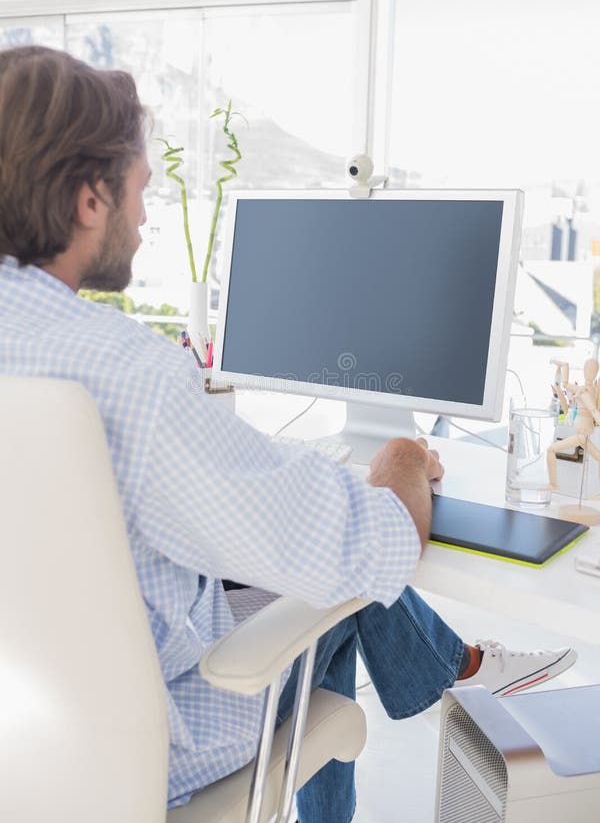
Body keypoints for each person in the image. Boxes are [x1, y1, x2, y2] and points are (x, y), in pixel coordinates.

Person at [0, 46, 576, 822]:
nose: (146, 213)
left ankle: (453, 666)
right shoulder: (130, 376)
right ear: (89, 199)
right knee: (341, 575)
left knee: (304, 558)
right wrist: (402, 462)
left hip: (27, 739)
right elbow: (374, 544)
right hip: (143, 746)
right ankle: (452, 668)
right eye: (141, 186)